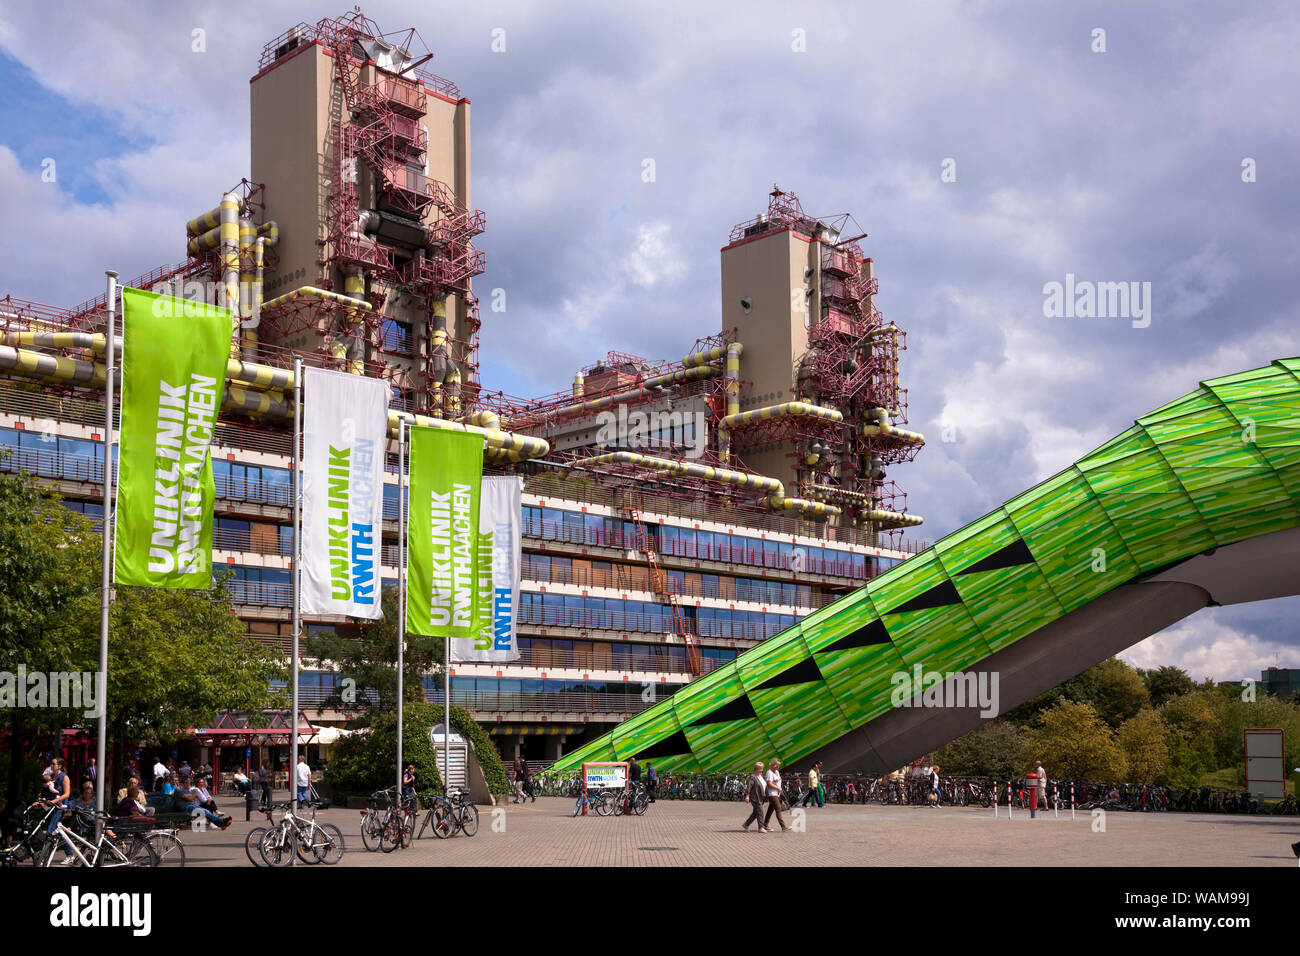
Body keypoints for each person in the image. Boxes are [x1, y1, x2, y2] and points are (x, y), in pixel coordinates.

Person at [741, 762, 770, 832]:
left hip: (761, 797)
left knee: (755, 813)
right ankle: (761, 828)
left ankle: (746, 824)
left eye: (762, 768)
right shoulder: (752, 777)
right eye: (760, 769)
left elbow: (764, 786)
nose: (761, 770)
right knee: (760, 812)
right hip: (755, 798)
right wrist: (747, 796)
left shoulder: (761, 777)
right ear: (756, 769)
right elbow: (749, 787)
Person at [764, 758, 789, 832]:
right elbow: (769, 783)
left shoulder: (777, 772)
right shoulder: (769, 772)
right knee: (778, 809)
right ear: (773, 765)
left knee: (770, 810)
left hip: (777, 794)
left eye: (778, 766)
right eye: (776, 766)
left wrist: (779, 789)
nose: (778, 767)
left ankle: (765, 824)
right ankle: (783, 827)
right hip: (772, 794)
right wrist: (777, 788)